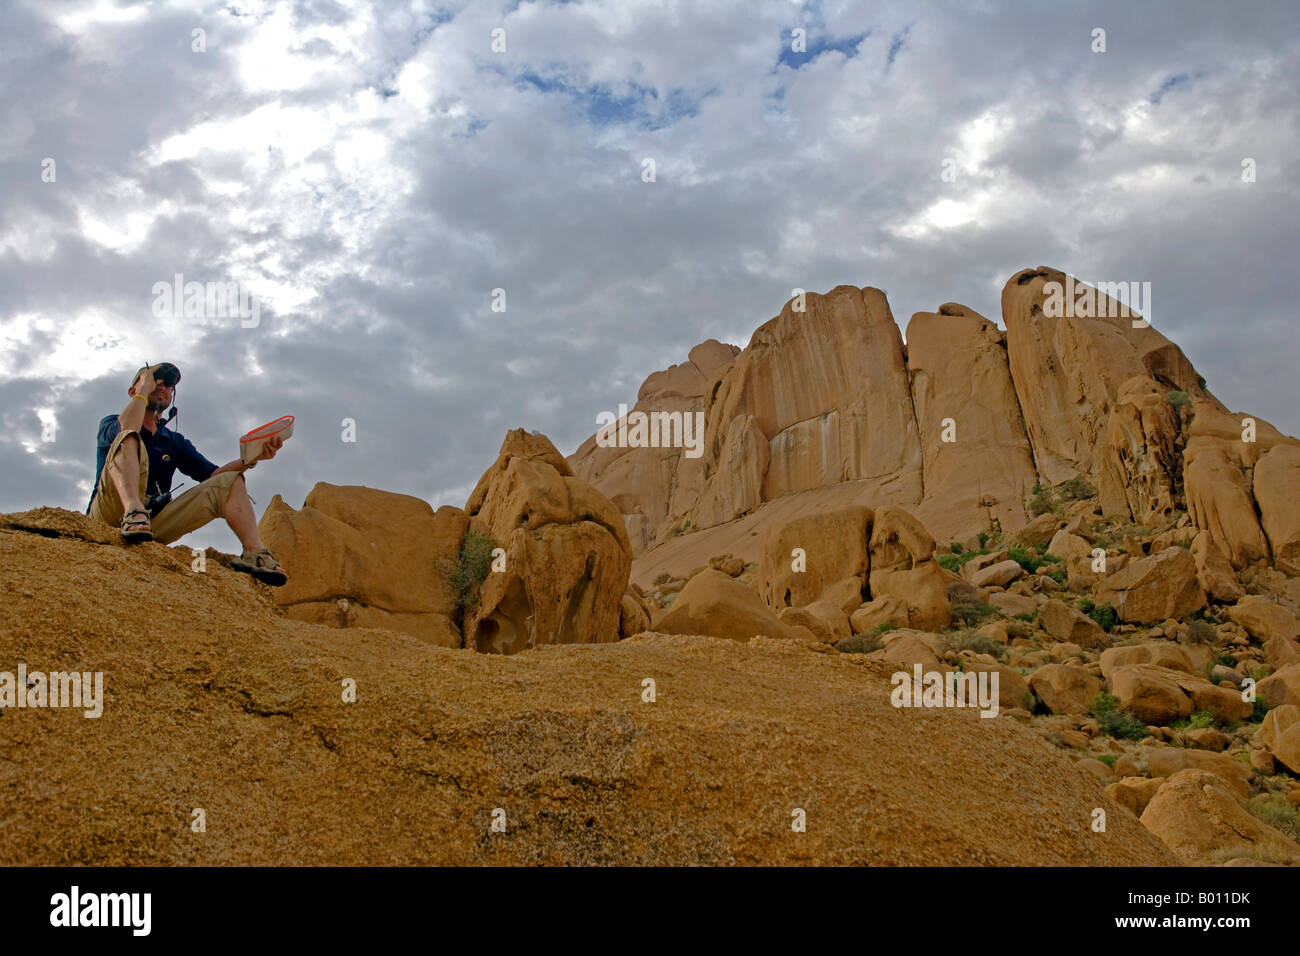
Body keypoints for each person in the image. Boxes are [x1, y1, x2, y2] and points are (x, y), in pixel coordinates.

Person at [86, 362, 288, 586]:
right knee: (128, 437)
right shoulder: (113, 422)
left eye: (169, 386)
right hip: (109, 510)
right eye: (156, 381)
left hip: (152, 521)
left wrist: (250, 459)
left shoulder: (174, 442)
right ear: (134, 390)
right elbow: (126, 428)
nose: (162, 387)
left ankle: (255, 553)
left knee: (230, 481)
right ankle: (132, 511)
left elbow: (214, 476)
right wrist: (144, 389)